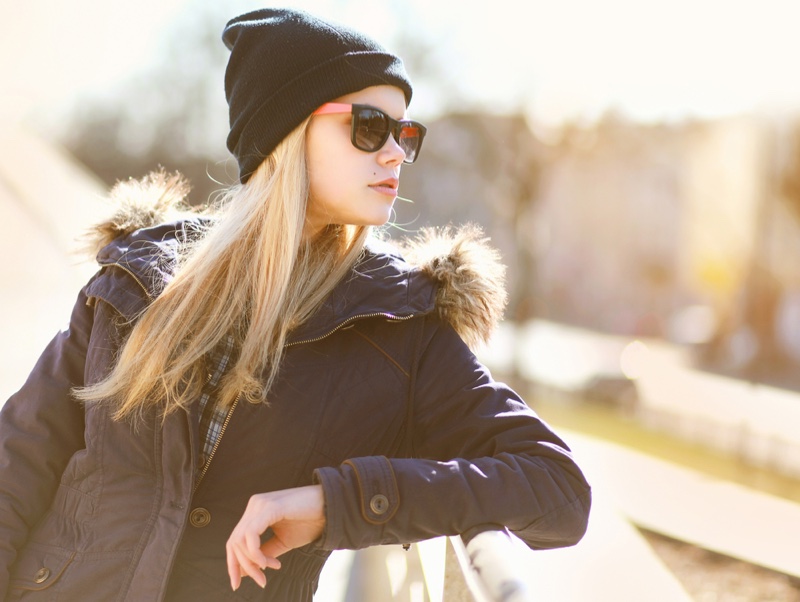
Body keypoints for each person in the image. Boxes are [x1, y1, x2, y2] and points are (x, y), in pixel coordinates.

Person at [0, 7, 591, 601]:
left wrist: (339, 502)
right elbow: (21, 460)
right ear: (285, 133)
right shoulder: (134, 280)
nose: (393, 154)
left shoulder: (401, 326)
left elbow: (558, 489)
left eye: (404, 135)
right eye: (368, 127)